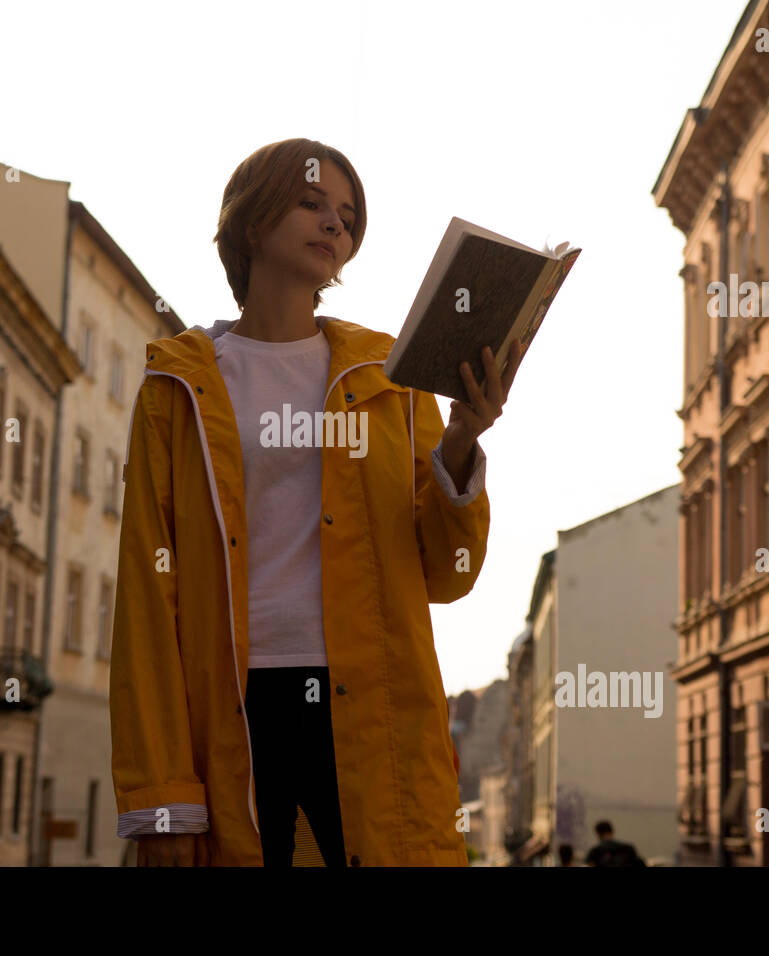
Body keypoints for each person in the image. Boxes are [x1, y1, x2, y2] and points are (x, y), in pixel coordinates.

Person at [110, 138, 526, 866]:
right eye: (311, 202)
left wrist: (460, 439)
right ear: (248, 222)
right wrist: (161, 802)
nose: (335, 224)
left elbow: (446, 574)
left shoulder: (388, 377)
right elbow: (149, 597)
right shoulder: (174, 388)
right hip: (233, 713)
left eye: (348, 215)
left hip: (370, 706)